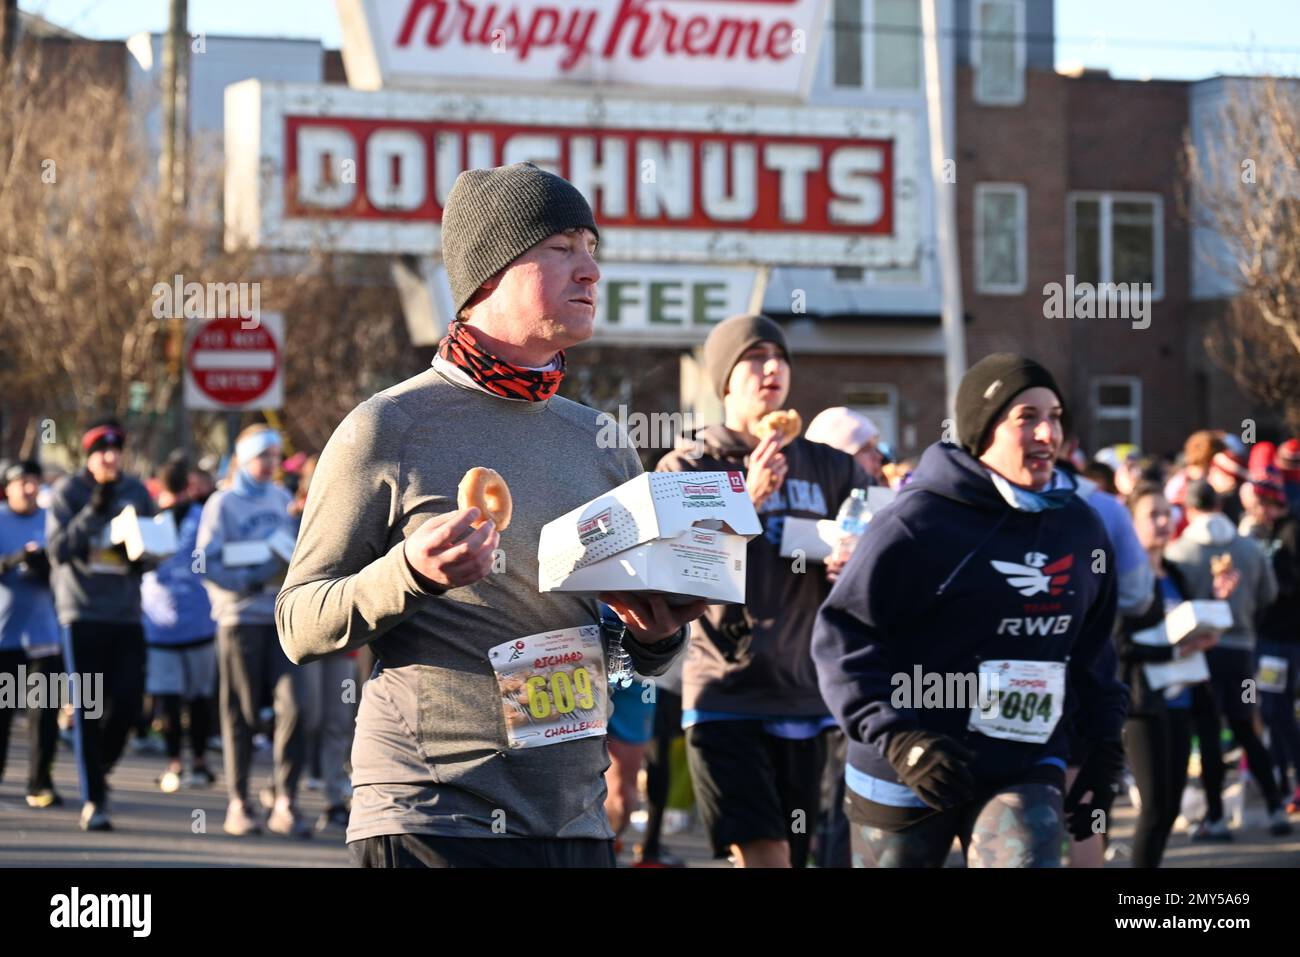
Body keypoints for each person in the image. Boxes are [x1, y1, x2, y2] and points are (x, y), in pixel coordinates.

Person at [277, 162, 705, 869]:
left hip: (574, 821)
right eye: (561, 248)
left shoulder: (601, 440)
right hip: (434, 816)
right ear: (487, 277)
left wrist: (654, 635)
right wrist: (410, 573)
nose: (590, 270)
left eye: (592, 248)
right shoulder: (389, 426)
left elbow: (623, 655)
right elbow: (298, 623)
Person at [812, 353, 1127, 868]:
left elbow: (1092, 650)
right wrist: (898, 737)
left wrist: (1104, 742)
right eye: (1027, 417)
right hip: (907, 762)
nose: (1047, 433)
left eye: (1055, 417)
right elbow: (842, 640)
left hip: (1023, 759)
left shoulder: (1078, 527)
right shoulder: (915, 523)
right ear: (982, 431)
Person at [656, 314, 868, 868]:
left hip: (806, 695)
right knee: (765, 853)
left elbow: (882, 543)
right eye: (754, 357)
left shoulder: (831, 467)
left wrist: (854, 560)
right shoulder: (689, 465)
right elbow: (675, 572)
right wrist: (744, 503)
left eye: (780, 357)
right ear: (724, 379)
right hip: (724, 695)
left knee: (791, 855)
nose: (772, 367)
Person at [46, 418, 155, 831]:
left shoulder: (137, 491)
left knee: (128, 703)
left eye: (116, 451)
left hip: (126, 614)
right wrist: (93, 510)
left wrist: (139, 557)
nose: (110, 458)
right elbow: (58, 550)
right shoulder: (68, 492)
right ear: (88, 456)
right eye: (101, 452)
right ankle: (94, 799)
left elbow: (153, 546)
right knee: (88, 708)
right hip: (82, 613)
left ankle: (101, 764)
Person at [1165, 479, 1290, 838]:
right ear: (1219, 505)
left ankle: (1216, 818)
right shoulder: (1249, 548)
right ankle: (1275, 807)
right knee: (1246, 727)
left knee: (1208, 733)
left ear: (1188, 509)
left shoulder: (1179, 552)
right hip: (1243, 654)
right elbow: (1269, 594)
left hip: (1202, 653)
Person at [198, 425, 307, 837]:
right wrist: (247, 581)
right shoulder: (222, 503)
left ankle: (285, 799)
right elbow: (204, 561)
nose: (271, 464)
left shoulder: (281, 499)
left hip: (281, 620)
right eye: (263, 456)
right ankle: (238, 802)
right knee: (241, 713)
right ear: (244, 459)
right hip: (239, 618)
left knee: (295, 707)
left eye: (276, 456)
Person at [1117, 483, 1211, 867]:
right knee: (1154, 805)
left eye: (1166, 513)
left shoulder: (1175, 574)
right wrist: (1173, 651)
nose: (1162, 521)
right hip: (1142, 703)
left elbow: (1183, 628)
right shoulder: (1126, 579)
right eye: (1151, 514)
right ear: (1131, 524)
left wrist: (1213, 614)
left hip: (1181, 698)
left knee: (1171, 806)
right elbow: (1120, 644)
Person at [285, 455, 357, 834]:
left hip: (345, 636)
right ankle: (284, 794)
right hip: (306, 634)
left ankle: (333, 799)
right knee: (306, 716)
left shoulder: (358, 508)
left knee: (338, 720)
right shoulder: (292, 516)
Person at [141, 454, 217, 793]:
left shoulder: (198, 518)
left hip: (188, 621)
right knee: (185, 699)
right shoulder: (153, 520)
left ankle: (184, 763)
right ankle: (188, 763)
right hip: (170, 623)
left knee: (181, 699)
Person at [0, 459, 64, 807]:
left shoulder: (51, 521)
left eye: (33, 481)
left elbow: (66, 570)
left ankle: (40, 783)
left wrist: (44, 567)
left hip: (43, 637)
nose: (28, 488)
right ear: (7, 487)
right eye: (21, 482)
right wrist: (12, 560)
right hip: (4, 637)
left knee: (43, 717)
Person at [1245, 477, 1300, 812]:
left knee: (1278, 711)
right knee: (1271, 710)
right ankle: (1280, 779)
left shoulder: (1291, 530)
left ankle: (1292, 778)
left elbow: (1288, 583)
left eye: (1257, 505)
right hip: (1267, 637)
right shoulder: (1268, 532)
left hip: (1283, 639)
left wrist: (1268, 579)